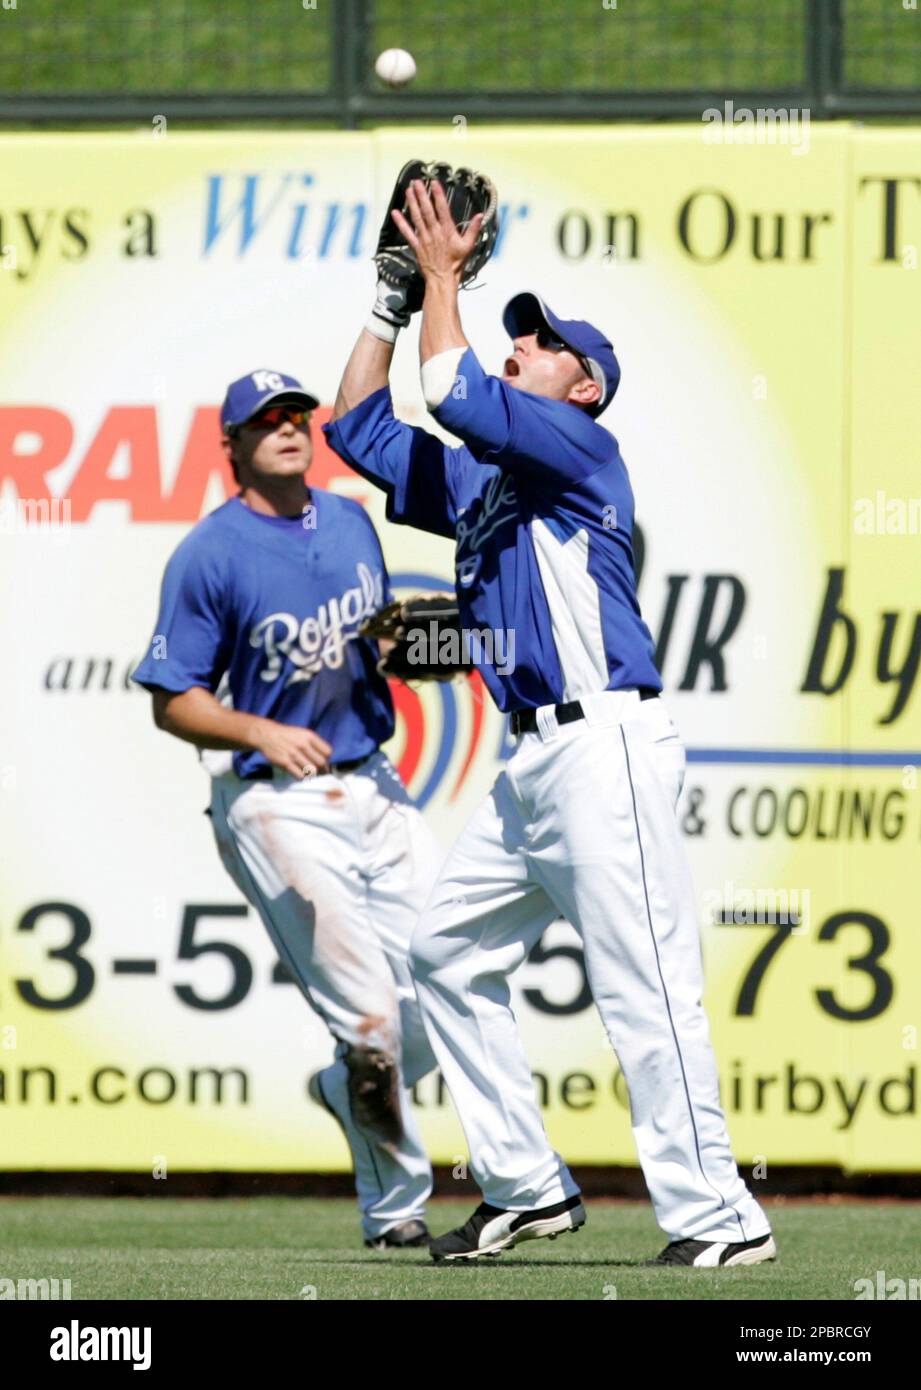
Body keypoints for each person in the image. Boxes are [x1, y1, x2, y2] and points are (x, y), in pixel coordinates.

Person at [324, 180, 776, 1267]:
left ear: (587, 387)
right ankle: (526, 1186)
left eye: (547, 343)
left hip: (606, 745)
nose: (525, 344)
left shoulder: (578, 456)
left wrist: (443, 276)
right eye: (520, 333)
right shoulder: (491, 483)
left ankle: (722, 1215)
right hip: (536, 766)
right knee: (445, 954)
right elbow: (353, 425)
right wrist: (393, 295)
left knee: (645, 985)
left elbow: (454, 386)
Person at [132, 367, 442, 1249]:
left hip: (371, 783)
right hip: (276, 803)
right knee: (371, 1017)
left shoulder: (347, 520)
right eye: (265, 419)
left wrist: (422, 642)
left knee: (450, 978)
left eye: (297, 413)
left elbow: (374, 636)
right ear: (231, 445)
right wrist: (258, 731)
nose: (288, 427)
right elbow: (171, 698)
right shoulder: (210, 554)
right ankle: (395, 1214)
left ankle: (350, 1088)